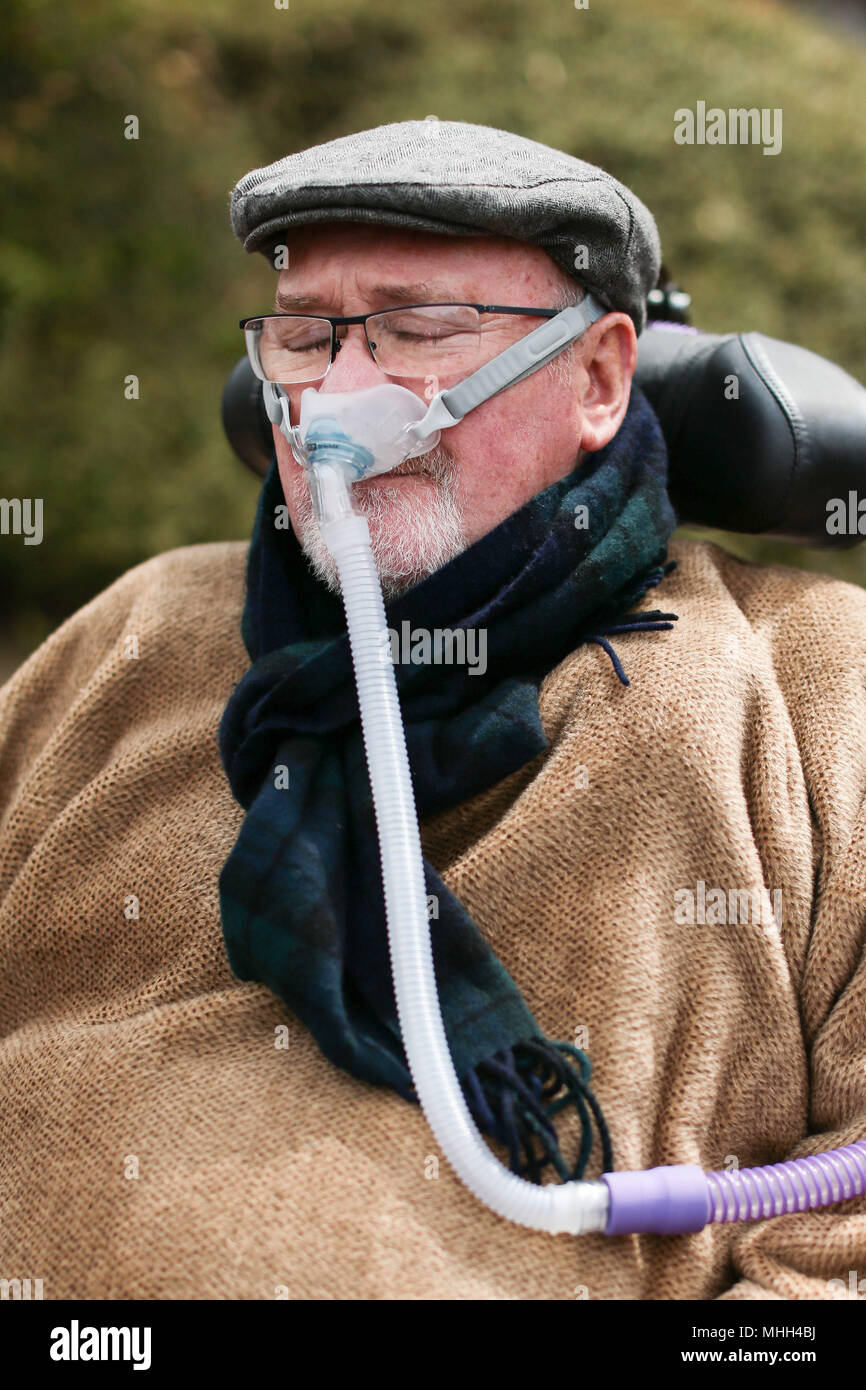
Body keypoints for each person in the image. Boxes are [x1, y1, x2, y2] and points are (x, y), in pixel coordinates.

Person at [1, 120, 864, 1302]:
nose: (338, 401)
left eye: (416, 331)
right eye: (304, 338)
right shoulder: (143, 632)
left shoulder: (812, 685)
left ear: (600, 376)